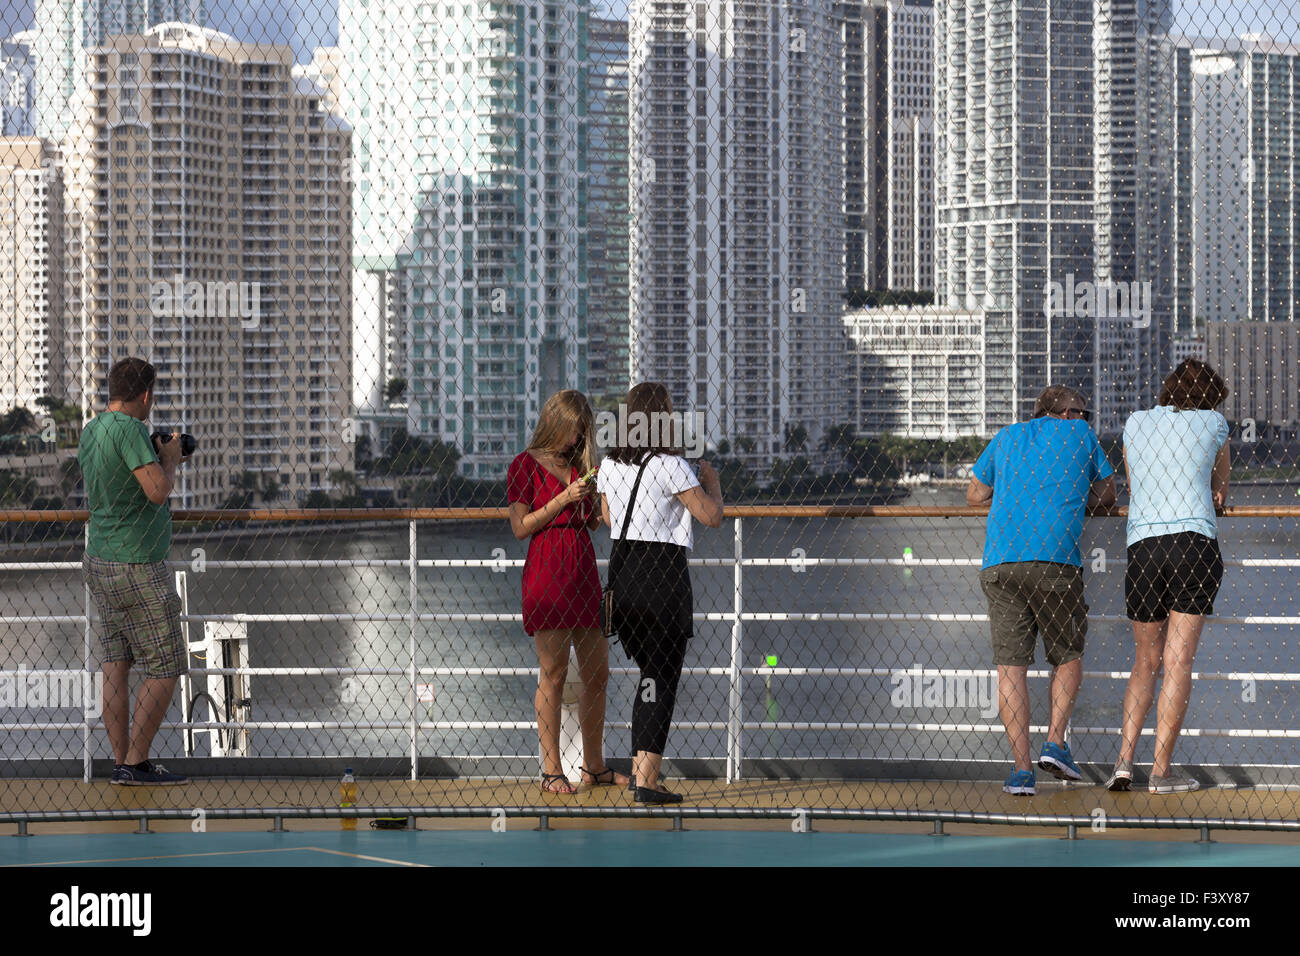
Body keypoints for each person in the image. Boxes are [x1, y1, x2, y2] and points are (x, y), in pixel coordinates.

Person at [967, 385, 1116, 796]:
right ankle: (1054, 742)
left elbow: (975, 493)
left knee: (1011, 668)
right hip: (1055, 561)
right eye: (1084, 414)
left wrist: (1018, 493)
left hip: (1000, 563)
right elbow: (1108, 493)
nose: (1087, 422)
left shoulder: (1008, 436)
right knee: (1067, 654)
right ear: (1067, 414)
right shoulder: (1081, 437)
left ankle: (1020, 772)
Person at [1106, 360, 1230, 794]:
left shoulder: (1136, 422)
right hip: (1193, 543)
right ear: (1211, 396)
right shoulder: (1215, 423)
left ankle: (1123, 763)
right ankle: (1161, 772)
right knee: (1178, 662)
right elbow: (1220, 488)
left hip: (1143, 548)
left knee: (1144, 661)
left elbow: (1136, 485)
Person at [597, 383, 723, 804]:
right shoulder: (672, 466)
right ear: (663, 418)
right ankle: (646, 783)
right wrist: (713, 483)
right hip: (663, 579)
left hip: (625, 578)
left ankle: (640, 774)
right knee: (661, 679)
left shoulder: (610, 465)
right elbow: (711, 517)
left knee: (646, 678)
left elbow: (608, 516)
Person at [507, 390, 629, 794]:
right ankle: (551, 770)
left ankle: (593, 766)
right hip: (547, 574)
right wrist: (563, 498)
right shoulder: (524, 465)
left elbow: (597, 524)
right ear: (554, 422)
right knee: (554, 674)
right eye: (571, 430)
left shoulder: (581, 466)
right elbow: (521, 527)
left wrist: (599, 493)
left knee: (598, 673)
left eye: (582, 432)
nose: (576, 439)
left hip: (582, 571)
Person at [79, 357, 189, 785]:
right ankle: (136, 762)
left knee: (116, 662)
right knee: (166, 664)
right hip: (137, 564)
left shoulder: (92, 430)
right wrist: (171, 458)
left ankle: (122, 759)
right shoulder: (130, 431)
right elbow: (157, 491)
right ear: (145, 394)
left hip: (100, 559)